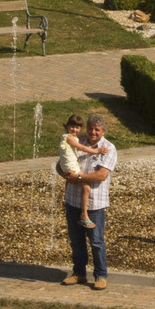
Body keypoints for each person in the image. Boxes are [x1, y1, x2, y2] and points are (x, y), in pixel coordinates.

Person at [61, 114, 117, 290]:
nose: (93, 132)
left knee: (96, 242)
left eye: (97, 130)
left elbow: (102, 175)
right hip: (73, 200)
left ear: (103, 131)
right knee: (76, 241)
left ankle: (100, 275)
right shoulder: (78, 141)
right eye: (90, 128)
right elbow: (62, 161)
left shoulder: (108, 148)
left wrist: (79, 178)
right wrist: (65, 174)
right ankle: (79, 273)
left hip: (95, 204)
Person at [56, 114, 92, 227]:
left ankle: (66, 201)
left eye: (77, 127)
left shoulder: (72, 137)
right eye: (72, 126)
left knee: (70, 181)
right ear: (67, 126)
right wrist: (97, 151)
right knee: (86, 188)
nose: (74, 129)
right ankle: (84, 214)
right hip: (70, 166)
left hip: (68, 165)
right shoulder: (69, 137)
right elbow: (82, 148)